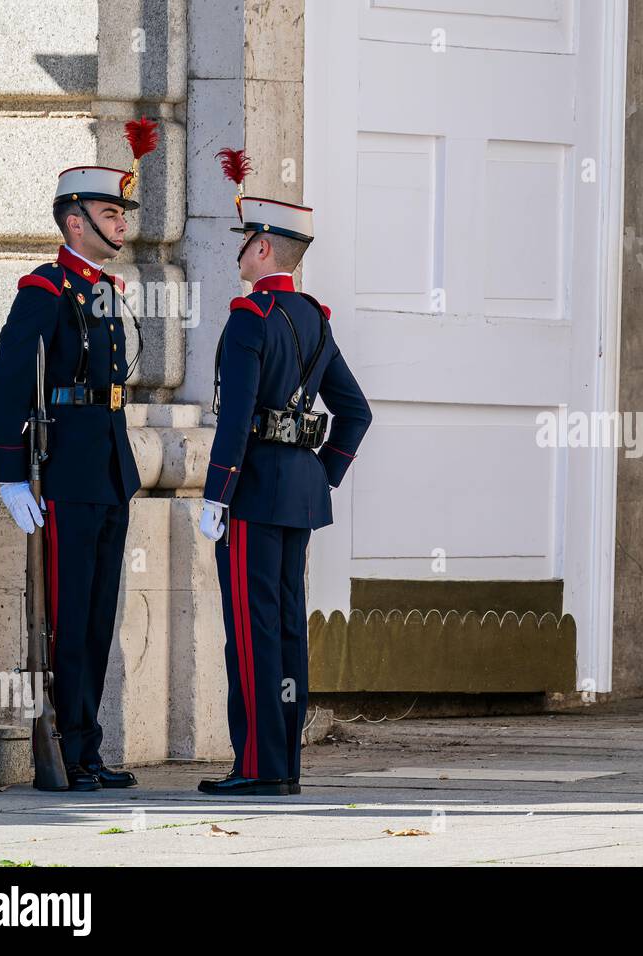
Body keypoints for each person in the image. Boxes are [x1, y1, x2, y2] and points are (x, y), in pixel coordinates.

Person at [0, 119, 159, 791]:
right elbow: (5, 379)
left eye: (122, 213)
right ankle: (61, 749)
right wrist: (8, 473)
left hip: (109, 469)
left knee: (96, 616)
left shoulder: (106, 291)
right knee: (67, 618)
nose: (121, 224)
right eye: (111, 213)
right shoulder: (45, 289)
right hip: (65, 473)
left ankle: (86, 751)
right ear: (75, 220)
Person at [196, 149, 373, 796]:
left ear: (265, 249)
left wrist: (217, 495)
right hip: (298, 493)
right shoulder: (314, 321)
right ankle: (286, 766)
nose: (240, 251)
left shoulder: (252, 319)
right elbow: (355, 414)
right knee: (288, 627)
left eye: (247, 241)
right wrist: (321, 475)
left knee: (250, 629)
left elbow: (236, 417)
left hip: (251, 494)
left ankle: (256, 767)